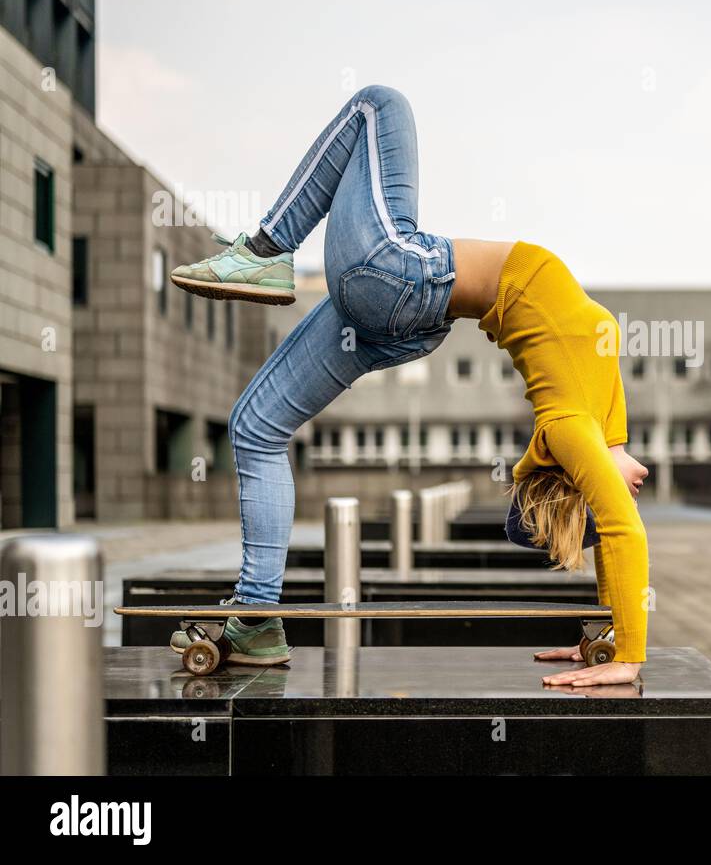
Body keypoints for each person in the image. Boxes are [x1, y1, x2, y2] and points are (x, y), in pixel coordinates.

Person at [168, 85, 649, 687]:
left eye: (612, 488)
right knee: (255, 426)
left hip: (402, 277)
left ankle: (266, 248)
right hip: (404, 318)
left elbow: (620, 527)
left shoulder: (568, 432)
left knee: (377, 105)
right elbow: (602, 355)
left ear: (566, 479)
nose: (637, 485)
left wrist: (629, 654)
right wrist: (602, 636)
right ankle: (257, 619)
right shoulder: (600, 421)